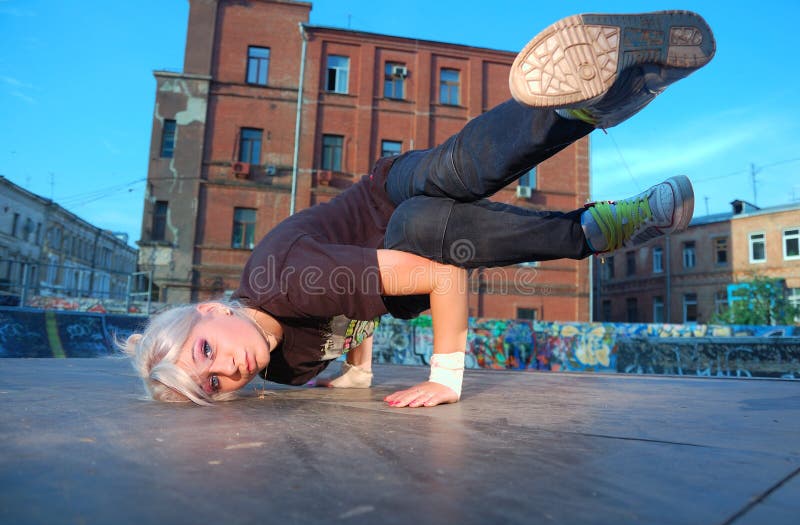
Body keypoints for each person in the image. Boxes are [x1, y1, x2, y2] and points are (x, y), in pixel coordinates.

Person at [122, 10, 715, 407]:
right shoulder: (280, 369)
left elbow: (437, 276)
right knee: (428, 229)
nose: (229, 369)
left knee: (448, 183)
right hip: (403, 246)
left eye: (207, 351)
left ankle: (584, 112)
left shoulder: (287, 281)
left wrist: (445, 377)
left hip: (389, 194)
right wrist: (356, 371)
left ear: (208, 309)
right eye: (215, 385)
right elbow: (351, 314)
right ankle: (594, 179)